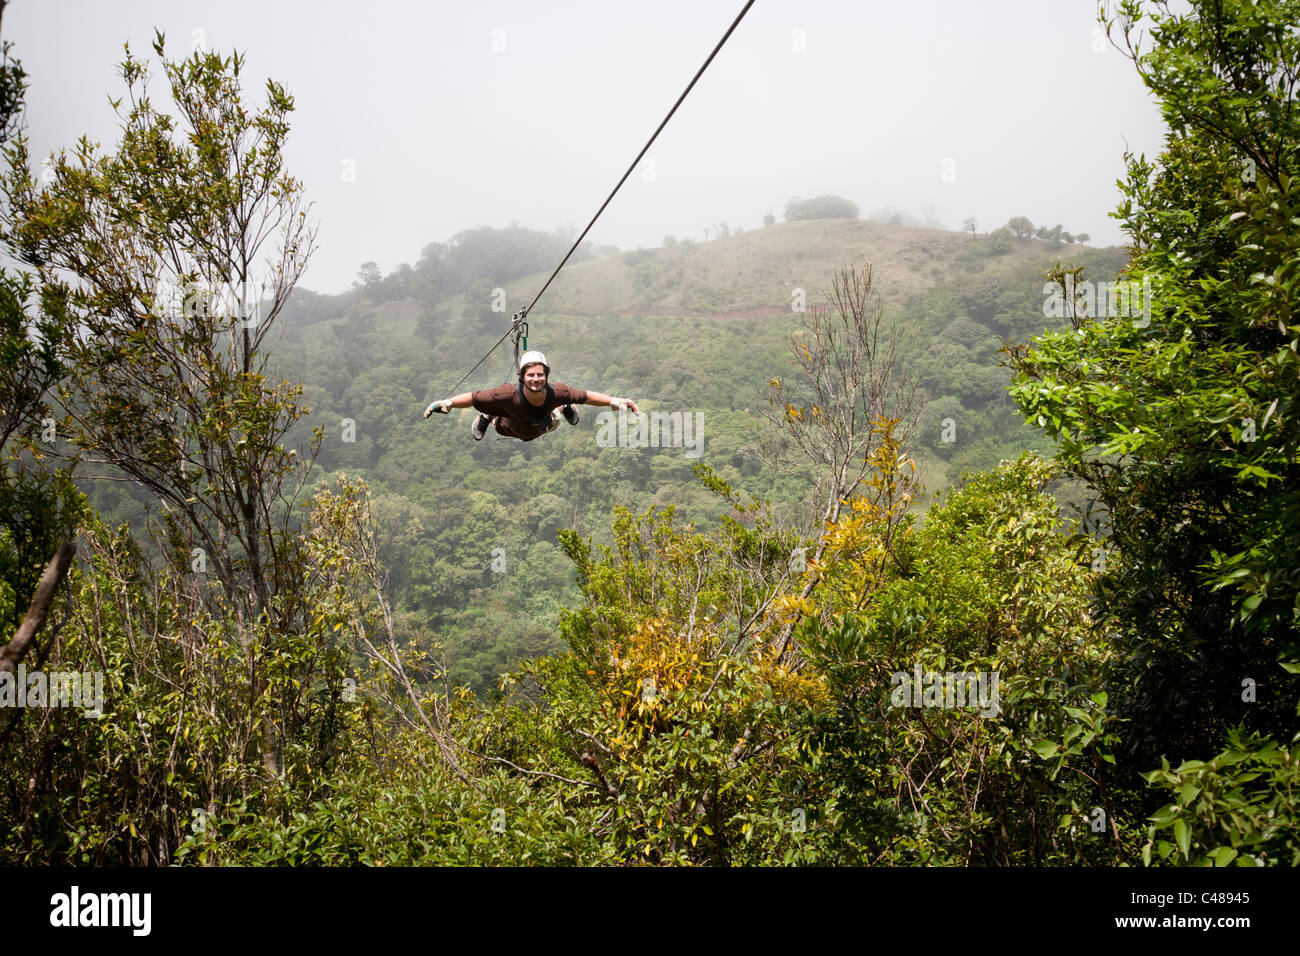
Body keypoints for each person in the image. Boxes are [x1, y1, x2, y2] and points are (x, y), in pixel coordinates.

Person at [424, 350, 640, 441]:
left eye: (540, 375)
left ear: (546, 375)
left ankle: (563, 408)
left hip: (541, 424)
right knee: (506, 424)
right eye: (530, 375)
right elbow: (473, 398)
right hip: (510, 424)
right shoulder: (506, 394)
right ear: (522, 376)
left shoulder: (558, 391)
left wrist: (615, 401)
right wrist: (448, 403)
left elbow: (586, 396)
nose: (535, 379)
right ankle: (487, 417)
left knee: (551, 420)